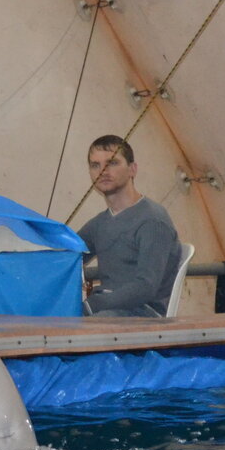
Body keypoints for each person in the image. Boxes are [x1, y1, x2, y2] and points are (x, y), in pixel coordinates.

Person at [77, 135, 181, 317]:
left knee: (75, 328)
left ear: (132, 169)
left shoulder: (153, 221)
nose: (103, 171)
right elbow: (68, 255)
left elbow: (145, 287)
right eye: (95, 165)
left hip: (143, 314)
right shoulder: (100, 223)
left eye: (112, 163)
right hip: (107, 312)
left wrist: (92, 305)